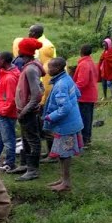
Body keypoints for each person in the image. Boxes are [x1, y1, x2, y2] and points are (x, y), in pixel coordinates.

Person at [42, 58, 82, 192]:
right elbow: (77, 93)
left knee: (65, 153)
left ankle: (66, 182)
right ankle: (63, 178)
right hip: (69, 123)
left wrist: (49, 117)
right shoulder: (66, 79)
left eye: (51, 67)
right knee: (62, 153)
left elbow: (64, 108)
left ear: (58, 68)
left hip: (66, 126)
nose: (48, 70)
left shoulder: (60, 85)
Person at [12, 37, 45, 181]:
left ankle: (33, 170)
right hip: (25, 110)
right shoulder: (31, 66)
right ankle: (25, 165)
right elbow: (41, 88)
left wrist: (25, 110)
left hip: (28, 112)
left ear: (23, 51)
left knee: (33, 140)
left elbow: (37, 94)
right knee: (26, 139)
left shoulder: (31, 69)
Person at [0, 52, 19, 172]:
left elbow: (11, 99)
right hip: (4, 112)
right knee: (0, 139)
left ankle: (9, 163)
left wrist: (2, 111)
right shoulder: (7, 74)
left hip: (6, 113)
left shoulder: (9, 78)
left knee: (8, 139)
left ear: (4, 61)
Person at [73, 44, 99, 146]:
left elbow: (82, 82)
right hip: (91, 94)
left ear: (81, 51)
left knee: (84, 118)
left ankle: (85, 140)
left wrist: (72, 90)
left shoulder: (83, 64)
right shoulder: (91, 62)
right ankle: (86, 138)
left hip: (84, 96)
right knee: (88, 117)